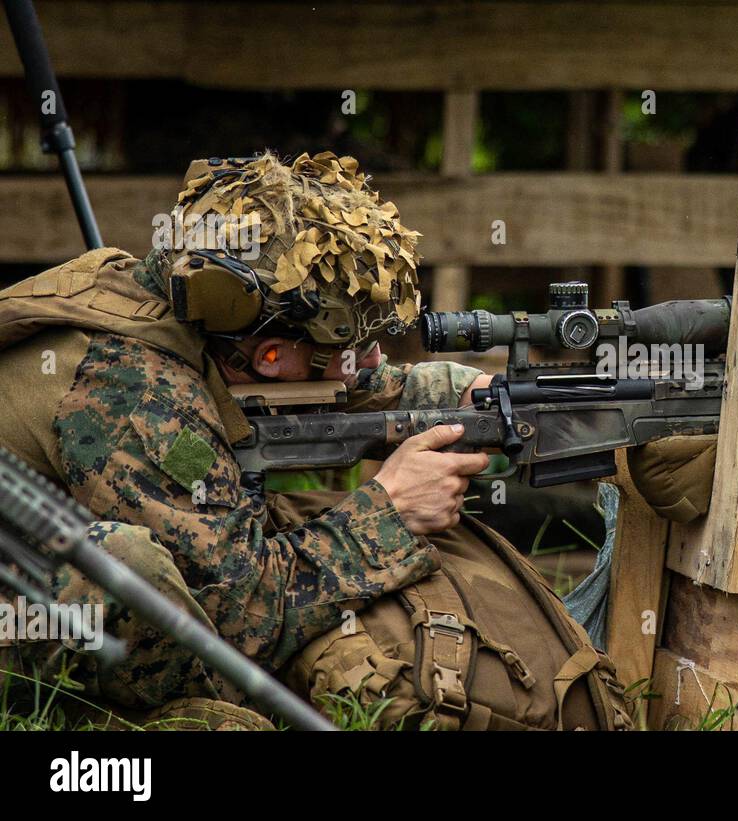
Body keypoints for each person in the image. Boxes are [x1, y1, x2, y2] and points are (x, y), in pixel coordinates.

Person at [0, 152, 628, 730]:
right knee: (125, 571)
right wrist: (387, 512)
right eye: (350, 349)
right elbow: (236, 616)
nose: (372, 359)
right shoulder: (138, 398)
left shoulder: (209, 323)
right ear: (272, 356)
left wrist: (485, 396)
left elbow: (365, 387)